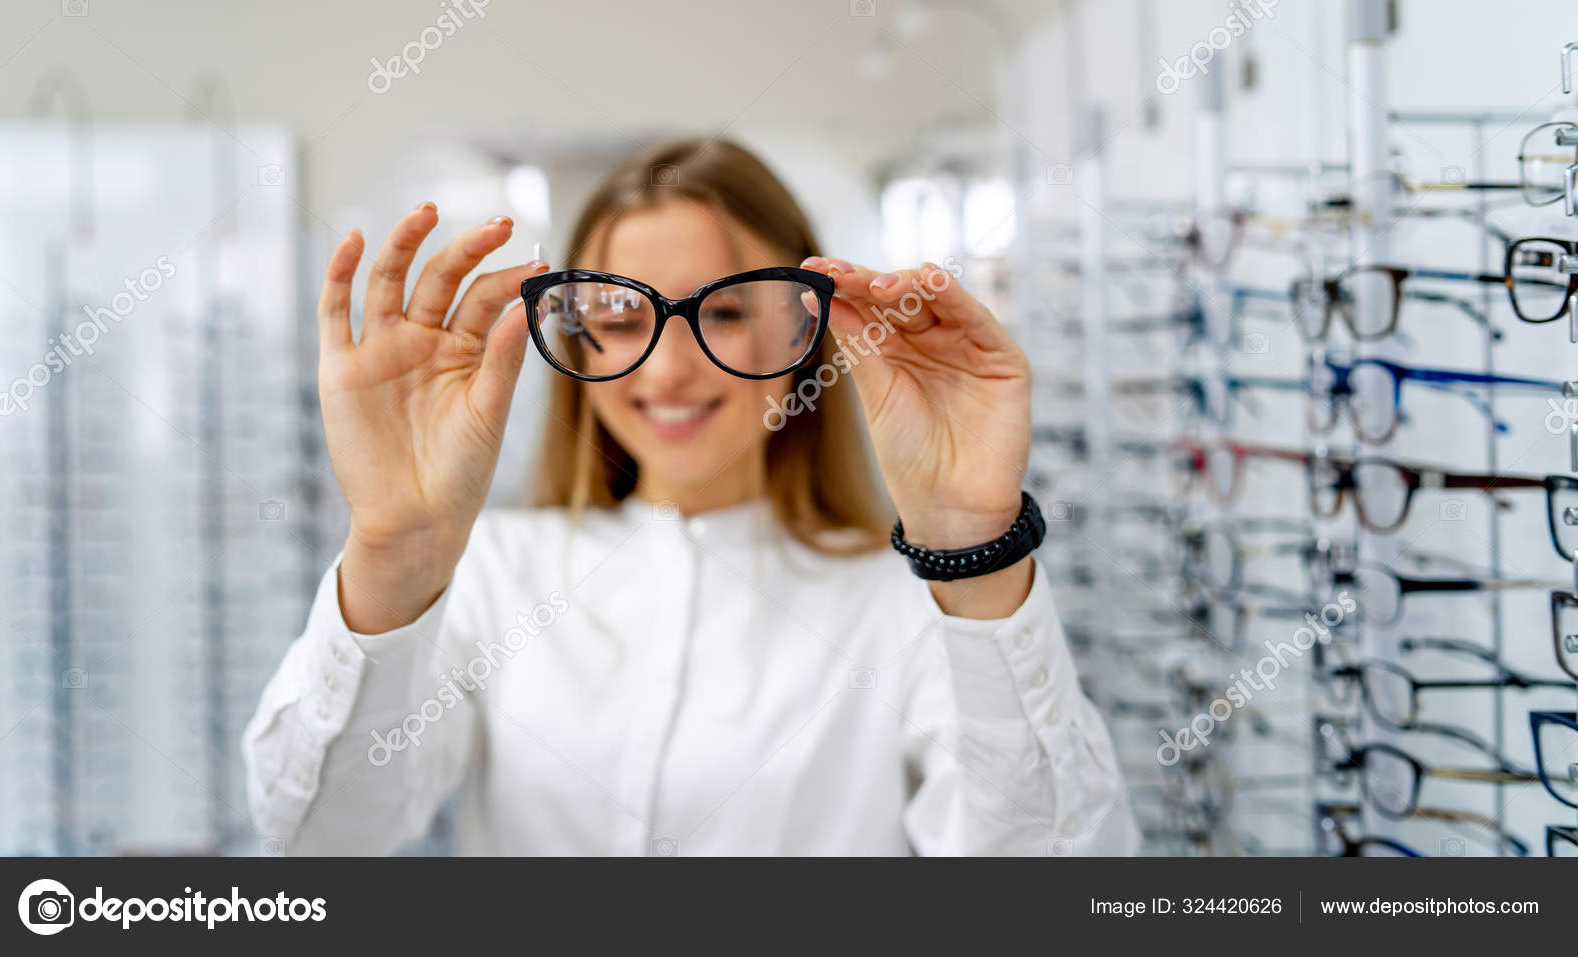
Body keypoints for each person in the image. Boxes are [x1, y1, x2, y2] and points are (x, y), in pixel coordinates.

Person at [242, 137, 1137, 855]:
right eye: (621, 315)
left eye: (726, 311)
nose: (669, 369)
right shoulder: (493, 574)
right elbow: (319, 837)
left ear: (808, 328)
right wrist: (393, 552)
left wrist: (974, 546)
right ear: (577, 339)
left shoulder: (912, 606)